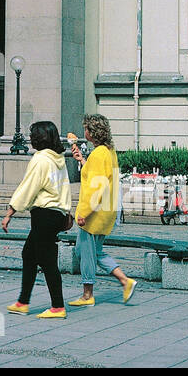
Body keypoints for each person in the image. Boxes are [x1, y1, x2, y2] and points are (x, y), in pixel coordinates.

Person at [1, 120, 73, 320]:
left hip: (44, 214)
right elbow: (64, 187)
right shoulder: (57, 159)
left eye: (32, 135)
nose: (29, 139)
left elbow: (28, 187)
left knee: (48, 260)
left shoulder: (40, 159)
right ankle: (23, 302)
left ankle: (57, 306)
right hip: (56, 213)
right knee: (29, 255)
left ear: (38, 139)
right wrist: (67, 212)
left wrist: (10, 212)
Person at [69, 114, 137, 306]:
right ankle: (125, 281)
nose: (84, 132)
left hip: (94, 213)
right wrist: (83, 161)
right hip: (106, 210)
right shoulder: (108, 151)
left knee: (86, 252)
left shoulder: (99, 154)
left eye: (86, 129)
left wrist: (84, 212)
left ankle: (88, 295)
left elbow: (96, 186)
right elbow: (99, 177)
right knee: (90, 251)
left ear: (91, 132)